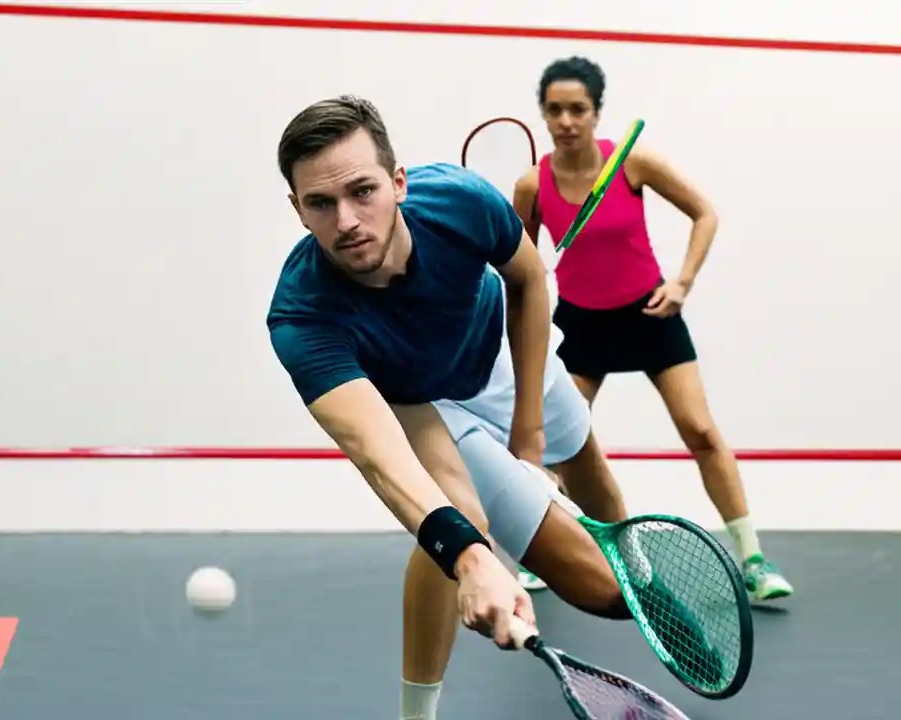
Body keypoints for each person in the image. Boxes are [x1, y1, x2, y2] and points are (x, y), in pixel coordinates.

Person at [265, 95, 637, 720]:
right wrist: (473, 559)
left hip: (506, 347)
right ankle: (418, 715)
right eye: (321, 204)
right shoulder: (302, 317)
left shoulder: (460, 200)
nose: (348, 220)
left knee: (591, 476)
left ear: (398, 182)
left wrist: (529, 437)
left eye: (362, 191)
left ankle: (646, 577)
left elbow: (528, 281)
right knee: (575, 580)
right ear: (298, 210)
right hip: (422, 401)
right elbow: (382, 459)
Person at [510, 56, 793, 603]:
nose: (566, 120)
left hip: (649, 316)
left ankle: (754, 561)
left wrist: (682, 284)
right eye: (555, 110)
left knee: (701, 431)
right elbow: (519, 267)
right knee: (549, 449)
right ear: (543, 116)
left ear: (596, 113)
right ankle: (541, 558)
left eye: (578, 109)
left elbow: (704, 212)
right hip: (581, 328)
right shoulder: (531, 187)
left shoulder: (632, 164)